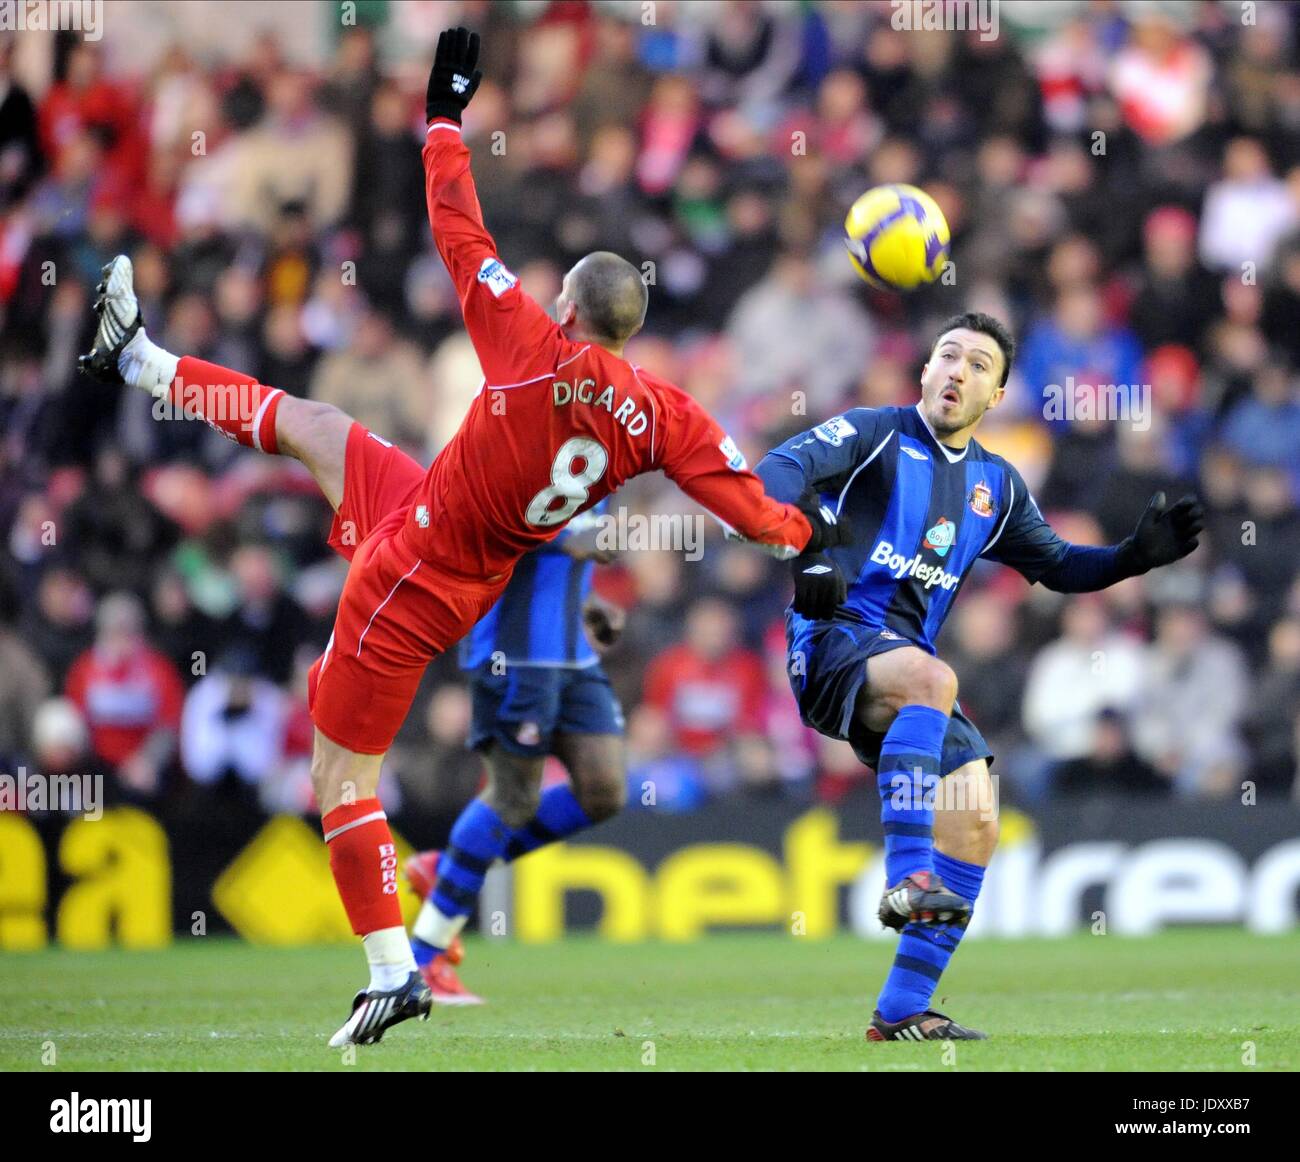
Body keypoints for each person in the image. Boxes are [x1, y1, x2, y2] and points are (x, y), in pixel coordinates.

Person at [78, 27, 843, 1048]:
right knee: (317, 425)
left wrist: (443, 114)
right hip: (442, 529)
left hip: (417, 573)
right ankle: (138, 361)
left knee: (339, 779)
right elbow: (743, 500)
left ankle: (393, 970)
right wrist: (806, 541)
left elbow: (458, 230)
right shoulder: (663, 413)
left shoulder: (528, 346)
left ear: (567, 304)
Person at [756, 311, 1203, 1041]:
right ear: (925, 372)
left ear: (995, 396)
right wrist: (808, 549)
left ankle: (901, 1011)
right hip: (831, 640)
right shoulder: (874, 435)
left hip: (905, 675)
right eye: (947, 355)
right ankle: (906, 875)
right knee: (933, 680)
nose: (958, 370)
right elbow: (775, 471)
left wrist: (1130, 558)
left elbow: (1058, 564)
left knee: (977, 822)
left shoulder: (995, 486)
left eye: (978, 365)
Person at [404, 508, 628, 1005]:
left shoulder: (609, 464)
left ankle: (446, 868)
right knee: (513, 798)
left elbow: (568, 564)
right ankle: (421, 961)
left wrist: (586, 603)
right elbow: (475, 530)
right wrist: (565, 539)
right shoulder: (522, 443)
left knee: (604, 792)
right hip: (512, 653)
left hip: (573, 654)